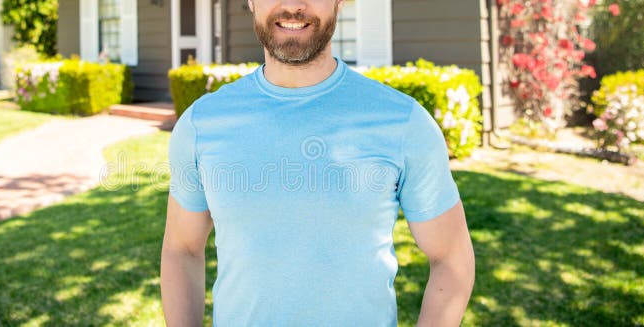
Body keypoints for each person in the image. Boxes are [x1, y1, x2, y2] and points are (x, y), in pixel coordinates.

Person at [160, 0, 475, 325]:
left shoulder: (403, 122)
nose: (294, 5)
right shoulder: (202, 124)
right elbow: (181, 249)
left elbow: (451, 257)